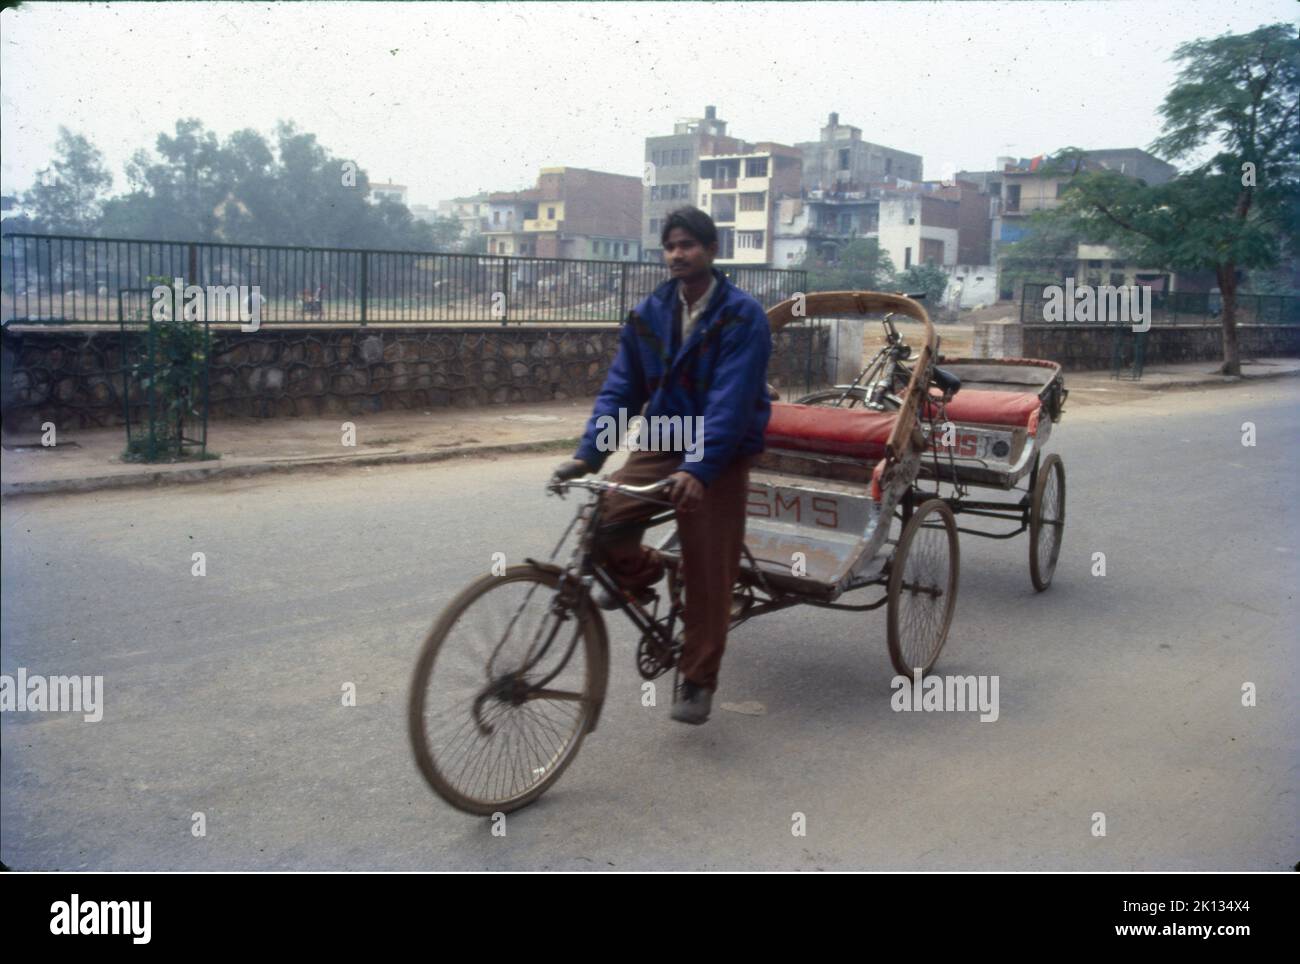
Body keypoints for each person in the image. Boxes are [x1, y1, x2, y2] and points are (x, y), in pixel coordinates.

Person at [552, 207, 772, 724]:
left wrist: (698, 470)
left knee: (708, 565)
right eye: (670, 245)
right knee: (602, 524)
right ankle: (644, 573)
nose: (677, 254)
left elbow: (731, 402)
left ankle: (697, 678)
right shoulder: (648, 313)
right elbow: (622, 390)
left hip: (722, 448)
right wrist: (589, 453)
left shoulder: (743, 316)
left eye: (688, 245)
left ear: (711, 251)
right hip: (665, 434)